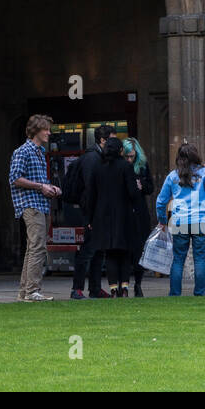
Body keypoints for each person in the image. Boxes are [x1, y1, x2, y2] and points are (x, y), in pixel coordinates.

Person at [9, 114, 61, 302]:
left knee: (34, 248)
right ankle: (32, 291)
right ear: (36, 131)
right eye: (46, 129)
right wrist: (41, 187)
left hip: (40, 204)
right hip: (31, 205)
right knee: (37, 247)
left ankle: (25, 292)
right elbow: (15, 178)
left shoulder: (39, 152)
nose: (49, 132)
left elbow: (37, 180)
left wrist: (50, 187)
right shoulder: (23, 151)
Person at [155, 142, 205, 296]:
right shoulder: (204, 173)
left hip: (179, 221)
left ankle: (175, 294)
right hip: (200, 220)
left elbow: (161, 201)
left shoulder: (173, 176)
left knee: (178, 260)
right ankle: (199, 293)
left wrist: (162, 219)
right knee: (199, 259)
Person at [82, 137, 140, 297]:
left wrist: (89, 218)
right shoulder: (126, 167)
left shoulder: (98, 168)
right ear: (120, 150)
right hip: (124, 215)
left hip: (102, 216)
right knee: (124, 252)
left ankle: (113, 288)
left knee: (110, 253)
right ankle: (125, 287)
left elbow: (91, 195)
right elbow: (132, 192)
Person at [70, 123, 115, 299]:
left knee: (98, 251)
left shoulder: (100, 157)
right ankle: (77, 288)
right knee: (88, 251)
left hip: (99, 212)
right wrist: (89, 217)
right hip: (92, 212)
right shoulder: (92, 159)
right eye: (111, 140)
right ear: (103, 140)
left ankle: (95, 288)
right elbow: (90, 189)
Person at [122, 136, 154, 296]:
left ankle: (138, 283)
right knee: (126, 250)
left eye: (131, 156)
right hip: (125, 210)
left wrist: (142, 185)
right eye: (126, 156)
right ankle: (125, 283)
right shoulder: (120, 167)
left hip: (140, 211)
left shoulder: (142, 166)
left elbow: (151, 187)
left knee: (140, 249)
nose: (129, 159)